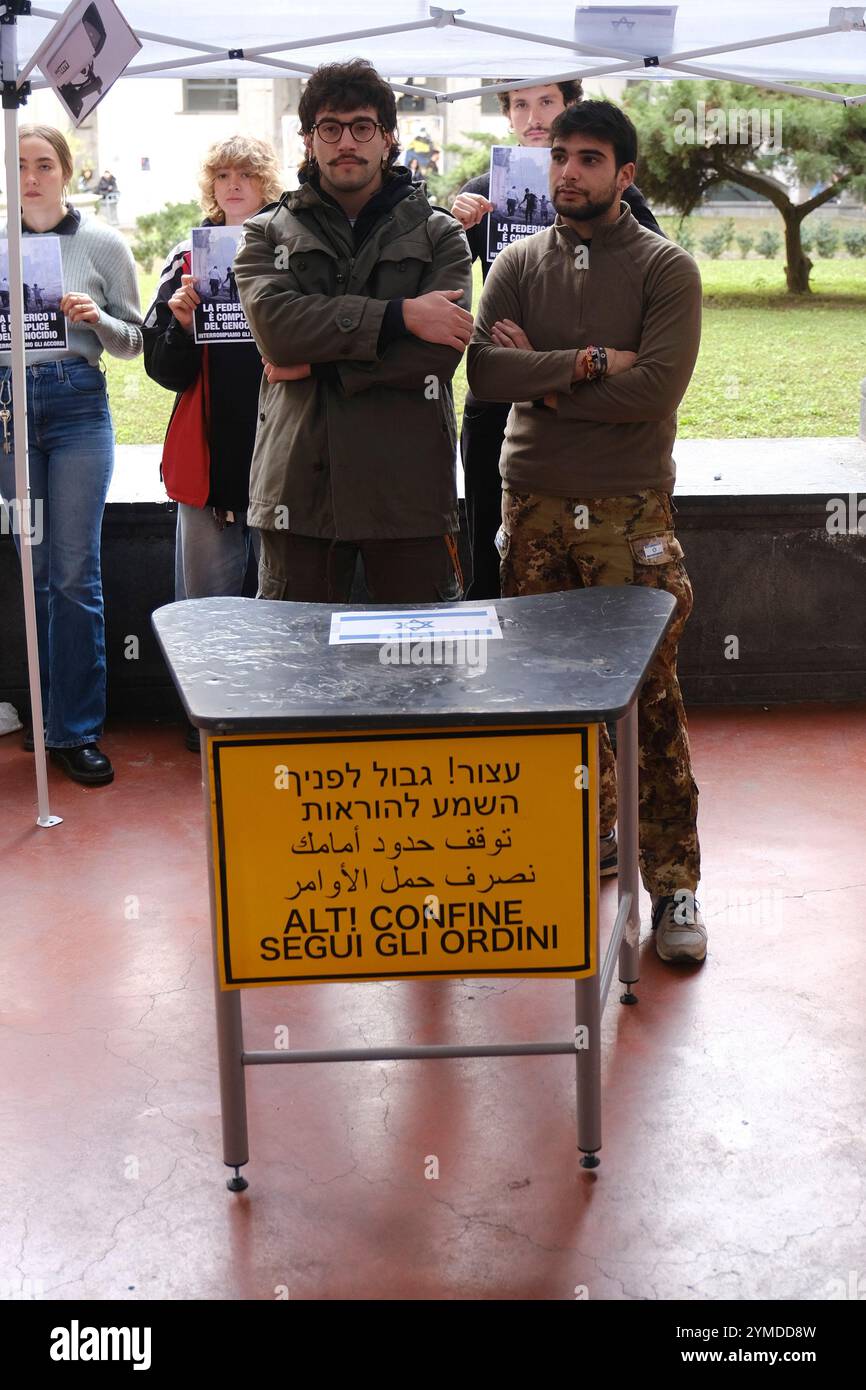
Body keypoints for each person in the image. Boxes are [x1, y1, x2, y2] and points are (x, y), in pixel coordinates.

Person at [467, 100, 704, 963]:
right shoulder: (519, 262)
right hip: (528, 508)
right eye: (560, 155)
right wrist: (587, 364)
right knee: (550, 702)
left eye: (590, 158)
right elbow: (486, 372)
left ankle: (673, 886)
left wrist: (545, 383)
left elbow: (657, 393)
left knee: (650, 702)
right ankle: (589, 839)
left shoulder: (666, 271)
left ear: (625, 174)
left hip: (627, 515)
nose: (568, 171)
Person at [233, 58, 473, 605]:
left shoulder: (440, 236)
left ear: (388, 138)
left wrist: (316, 363)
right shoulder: (265, 232)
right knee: (297, 674)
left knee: (422, 672)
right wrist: (401, 316)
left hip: (407, 491)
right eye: (331, 128)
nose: (348, 142)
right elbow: (277, 333)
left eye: (363, 127)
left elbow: (436, 356)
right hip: (300, 485)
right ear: (308, 140)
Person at [451, 78, 663, 602]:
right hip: (497, 408)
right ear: (506, 116)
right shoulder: (484, 191)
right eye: (520, 104)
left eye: (546, 101)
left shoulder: (619, 195)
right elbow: (460, 313)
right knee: (490, 548)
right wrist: (451, 228)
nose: (533, 116)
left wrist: (544, 369)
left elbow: (648, 292)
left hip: (592, 435)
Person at [0, 125, 142, 785]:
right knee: (29, 574)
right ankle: (43, 714)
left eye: (44, 164)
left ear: (66, 169)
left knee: (73, 573)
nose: (31, 177)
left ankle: (77, 731)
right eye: (19, 165)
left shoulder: (102, 243)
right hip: (8, 412)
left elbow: (136, 342)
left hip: (78, 405)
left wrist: (96, 319)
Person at [142, 136, 283, 751]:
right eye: (222, 175)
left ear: (265, 184)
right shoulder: (184, 259)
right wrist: (175, 324)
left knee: (282, 603)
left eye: (246, 175)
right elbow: (162, 370)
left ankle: (275, 716)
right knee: (205, 604)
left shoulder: (291, 249)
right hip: (210, 459)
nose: (233, 185)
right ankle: (210, 726)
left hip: (282, 452)